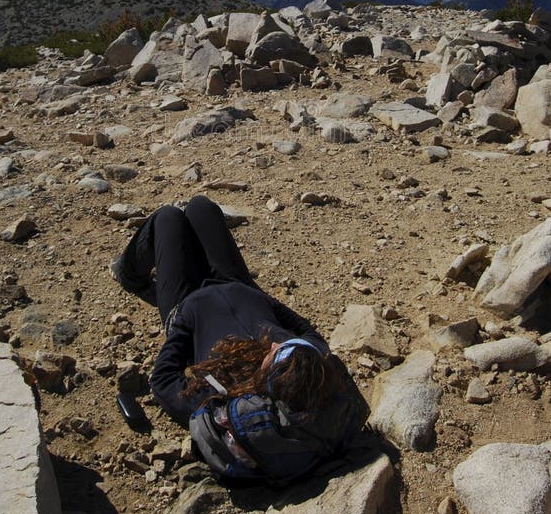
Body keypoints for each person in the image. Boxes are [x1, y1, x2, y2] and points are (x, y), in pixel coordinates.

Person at [110, 195, 369, 483]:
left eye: (276, 353)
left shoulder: (227, 391)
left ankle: (128, 274)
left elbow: (163, 382)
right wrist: (266, 302)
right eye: (286, 344)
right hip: (239, 286)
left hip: (185, 304)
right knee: (201, 207)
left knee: (169, 217)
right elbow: (309, 332)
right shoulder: (309, 362)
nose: (274, 344)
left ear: (266, 379)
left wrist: (183, 323)